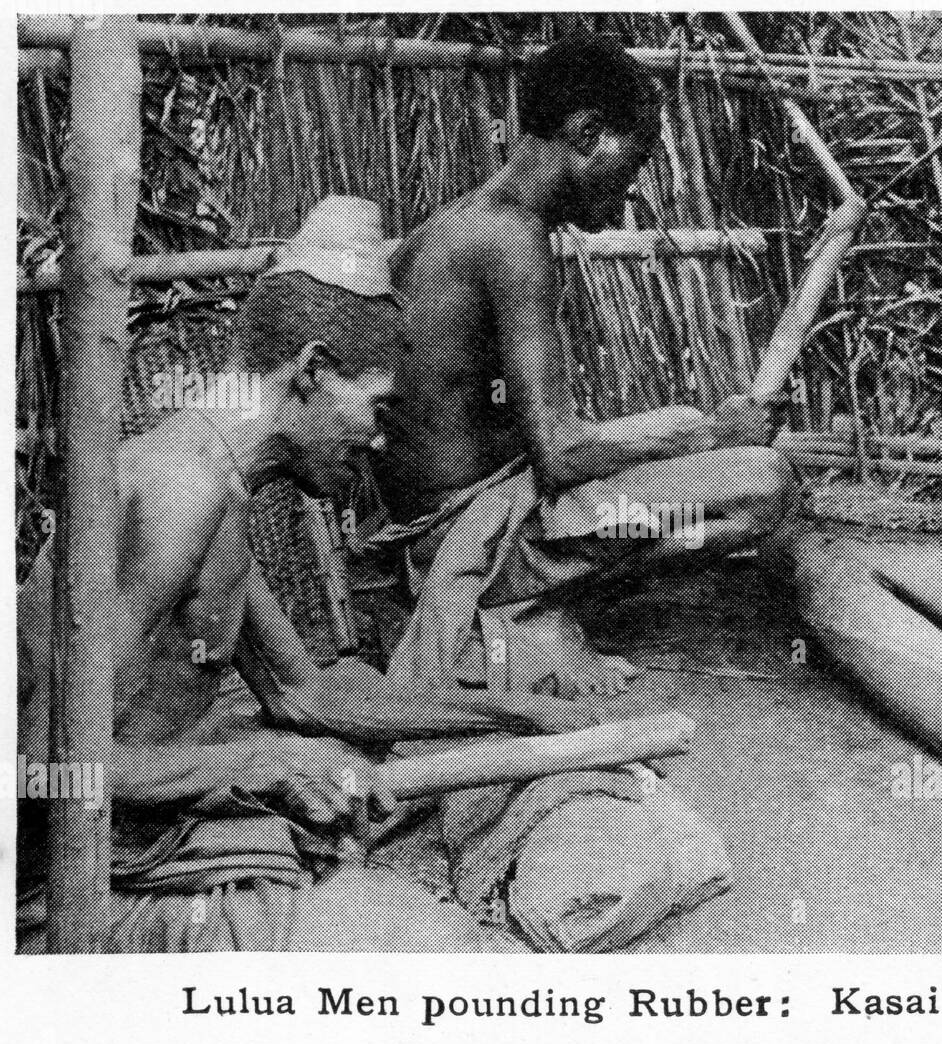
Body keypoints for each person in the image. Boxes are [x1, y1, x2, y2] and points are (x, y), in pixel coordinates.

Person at [18, 197, 590, 953]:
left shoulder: (219, 488)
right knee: (435, 952)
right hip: (61, 879)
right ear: (313, 371)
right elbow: (44, 770)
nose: (383, 441)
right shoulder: (178, 491)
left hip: (141, 835)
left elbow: (303, 694)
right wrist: (263, 763)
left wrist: (520, 714)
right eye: (378, 408)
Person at [367, 37, 797, 950]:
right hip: (476, 534)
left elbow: (524, 434)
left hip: (464, 513)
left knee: (669, 474)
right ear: (586, 131)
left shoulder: (452, 229)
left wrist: (656, 442)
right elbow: (560, 455)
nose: (631, 191)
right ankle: (525, 608)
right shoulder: (513, 242)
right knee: (760, 483)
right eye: (629, 166)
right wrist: (704, 433)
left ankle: (536, 614)